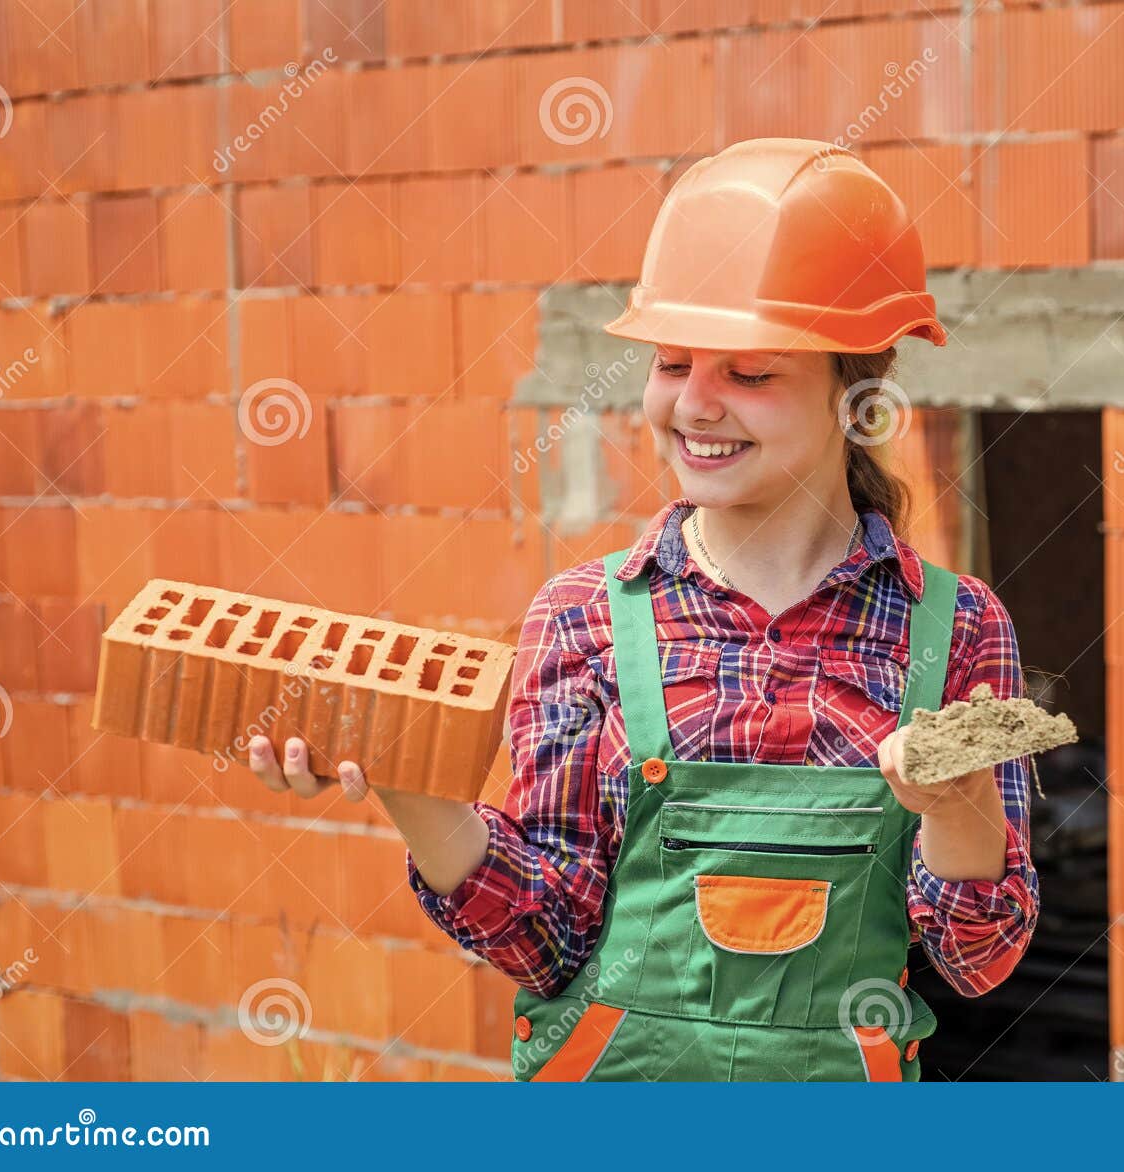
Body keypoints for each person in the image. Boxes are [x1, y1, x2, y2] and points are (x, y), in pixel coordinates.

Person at [245, 138, 1039, 1081]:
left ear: (855, 397)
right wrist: (405, 784)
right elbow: (545, 939)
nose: (693, 406)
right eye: (671, 363)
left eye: (749, 374)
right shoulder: (582, 617)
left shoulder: (954, 628)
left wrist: (959, 814)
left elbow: (975, 962)